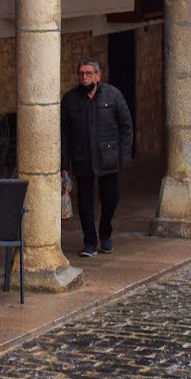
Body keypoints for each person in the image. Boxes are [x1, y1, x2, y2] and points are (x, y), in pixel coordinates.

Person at [60, 58, 134, 257]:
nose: (84, 77)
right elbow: (63, 134)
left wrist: (124, 157)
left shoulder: (113, 95)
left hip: (108, 158)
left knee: (111, 197)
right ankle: (90, 242)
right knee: (84, 203)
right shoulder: (70, 99)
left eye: (88, 73)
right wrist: (64, 163)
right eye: (81, 73)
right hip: (82, 158)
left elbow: (126, 127)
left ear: (98, 76)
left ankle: (105, 233)